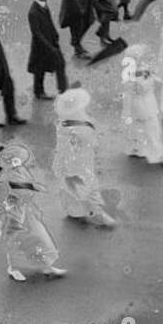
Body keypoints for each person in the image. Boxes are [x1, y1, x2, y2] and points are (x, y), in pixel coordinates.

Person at [0, 142, 66, 282]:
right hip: (13, 215)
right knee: (16, 242)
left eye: (18, 159)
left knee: (40, 237)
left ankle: (46, 266)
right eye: (13, 160)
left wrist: (34, 191)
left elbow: (28, 186)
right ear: (7, 162)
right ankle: (14, 269)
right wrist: (3, 216)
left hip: (27, 211)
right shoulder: (3, 179)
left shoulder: (22, 170)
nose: (17, 162)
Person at [51, 88, 117, 228]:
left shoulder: (64, 123)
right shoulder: (79, 127)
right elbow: (84, 144)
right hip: (79, 162)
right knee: (86, 186)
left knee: (72, 187)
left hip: (73, 161)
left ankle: (74, 210)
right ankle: (96, 214)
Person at [120, 44, 163, 166]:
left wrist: (156, 76)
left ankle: (136, 148)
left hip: (144, 105)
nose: (143, 58)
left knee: (139, 128)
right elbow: (140, 90)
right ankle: (161, 155)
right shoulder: (133, 75)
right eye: (140, 57)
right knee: (153, 129)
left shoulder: (141, 69)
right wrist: (148, 76)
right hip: (143, 106)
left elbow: (158, 78)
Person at [27, 0, 67, 99]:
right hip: (40, 46)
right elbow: (36, 33)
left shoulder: (44, 5)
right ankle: (39, 92)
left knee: (60, 63)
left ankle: (62, 89)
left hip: (50, 41)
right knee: (39, 70)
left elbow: (49, 22)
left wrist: (55, 35)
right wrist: (49, 47)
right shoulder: (33, 12)